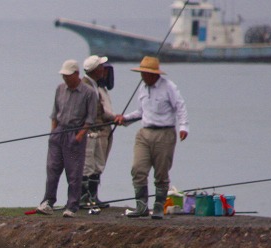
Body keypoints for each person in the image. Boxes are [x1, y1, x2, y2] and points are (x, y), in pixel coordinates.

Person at [114, 55, 189, 220]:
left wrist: (183, 127)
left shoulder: (169, 87)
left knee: (161, 173)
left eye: (145, 73)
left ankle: (158, 206)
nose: (143, 76)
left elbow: (180, 107)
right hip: (144, 133)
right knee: (138, 168)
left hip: (165, 133)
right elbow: (140, 113)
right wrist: (124, 118)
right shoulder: (142, 89)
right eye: (142, 73)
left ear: (154, 74)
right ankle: (141, 206)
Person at [35, 59, 96, 218]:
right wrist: (52, 133)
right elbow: (54, 114)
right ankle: (48, 202)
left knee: (74, 172)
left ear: (77, 74)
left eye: (68, 75)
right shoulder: (60, 89)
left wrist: (79, 137)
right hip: (59, 132)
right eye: (64, 76)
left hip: (75, 133)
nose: (65, 78)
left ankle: (72, 206)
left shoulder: (89, 92)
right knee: (52, 169)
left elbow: (90, 119)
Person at [80, 55, 117, 212]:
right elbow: (97, 112)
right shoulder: (87, 87)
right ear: (96, 70)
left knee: (97, 165)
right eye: (101, 68)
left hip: (101, 131)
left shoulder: (98, 86)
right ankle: (84, 197)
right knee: (88, 165)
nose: (104, 70)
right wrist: (115, 118)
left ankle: (93, 197)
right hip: (92, 132)